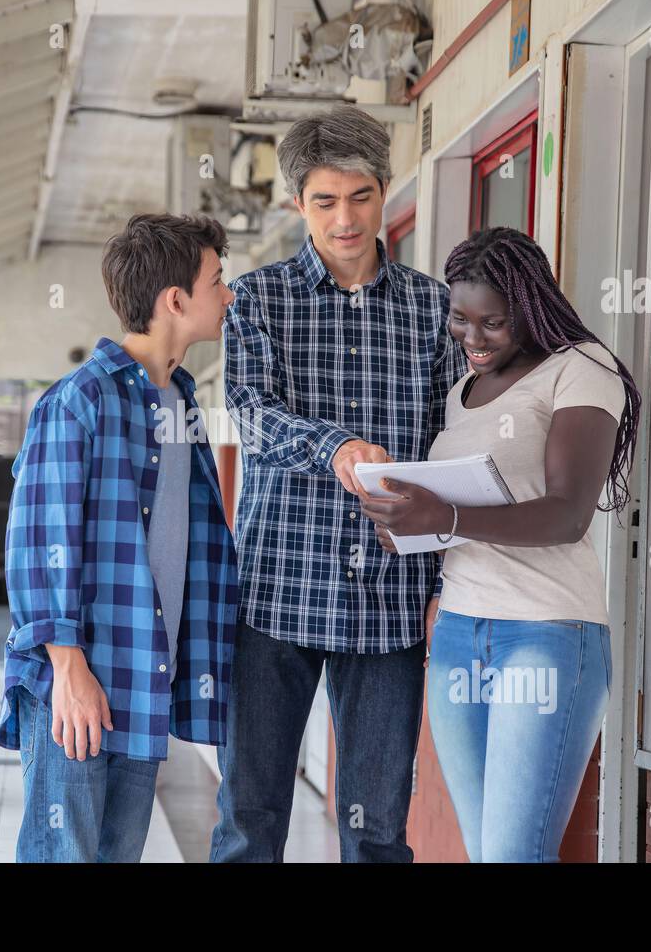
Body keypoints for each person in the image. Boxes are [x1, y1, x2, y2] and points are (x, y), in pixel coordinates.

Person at [212, 104, 467, 863]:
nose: (345, 219)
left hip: (388, 603)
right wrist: (336, 448)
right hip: (275, 598)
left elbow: (448, 439)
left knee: (376, 831)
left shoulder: (433, 308)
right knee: (249, 823)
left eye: (360, 197)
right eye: (324, 201)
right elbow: (251, 417)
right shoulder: (257, 300)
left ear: (386, 189)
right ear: (298, 204)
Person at [357, 226, 641, 862]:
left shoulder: (581, 371)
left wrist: (447, 515)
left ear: (532, 309)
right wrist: (411, 520)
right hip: (459, 631)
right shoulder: (460, 393)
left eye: (494, 323)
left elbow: (568, 515)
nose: (474, 340)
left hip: (545, 633)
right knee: (487, 854)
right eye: (460, 320)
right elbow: (461, 507)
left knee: (515, 856)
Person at [0, 213, 238, 863]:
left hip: (142, 681)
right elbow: (34, 542)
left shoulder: (183, 401)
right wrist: (68, 669)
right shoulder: (81, 401)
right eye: (220, 281)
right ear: (176, 301)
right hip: (79, 683)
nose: (230, 295)